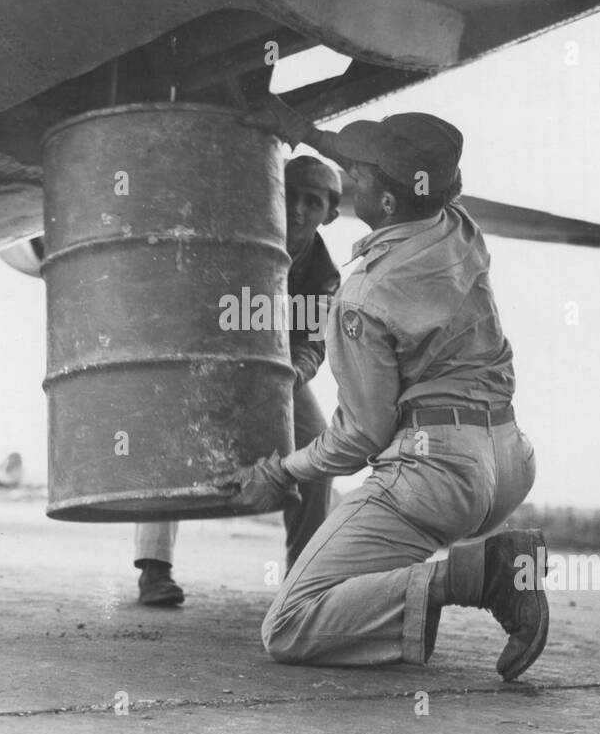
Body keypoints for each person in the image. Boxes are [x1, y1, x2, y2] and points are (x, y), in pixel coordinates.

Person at [220, 102, 546, 679]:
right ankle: (435, 588)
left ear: (387, 203)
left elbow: (360, 434)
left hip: (437, 479)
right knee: (346, 576)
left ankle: (482, 575)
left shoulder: (362, 298)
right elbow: (392, 168)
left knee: (290, 623)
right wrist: (304, 131)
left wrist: (280, 472)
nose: (350, 181)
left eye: (362, 178)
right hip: (508, 462)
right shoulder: (457, 226)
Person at [134, 155, 343, 606]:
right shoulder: (233, 231)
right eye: (290, 196)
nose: (300, 210)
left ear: (331, 213)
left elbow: (313, 343)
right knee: (169, 442)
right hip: (206, 357)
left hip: (277, 373)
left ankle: (300, 581)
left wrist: (286, 378)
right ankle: (154, 569)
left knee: (317, 450)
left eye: (313, 201)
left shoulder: (324, 277)